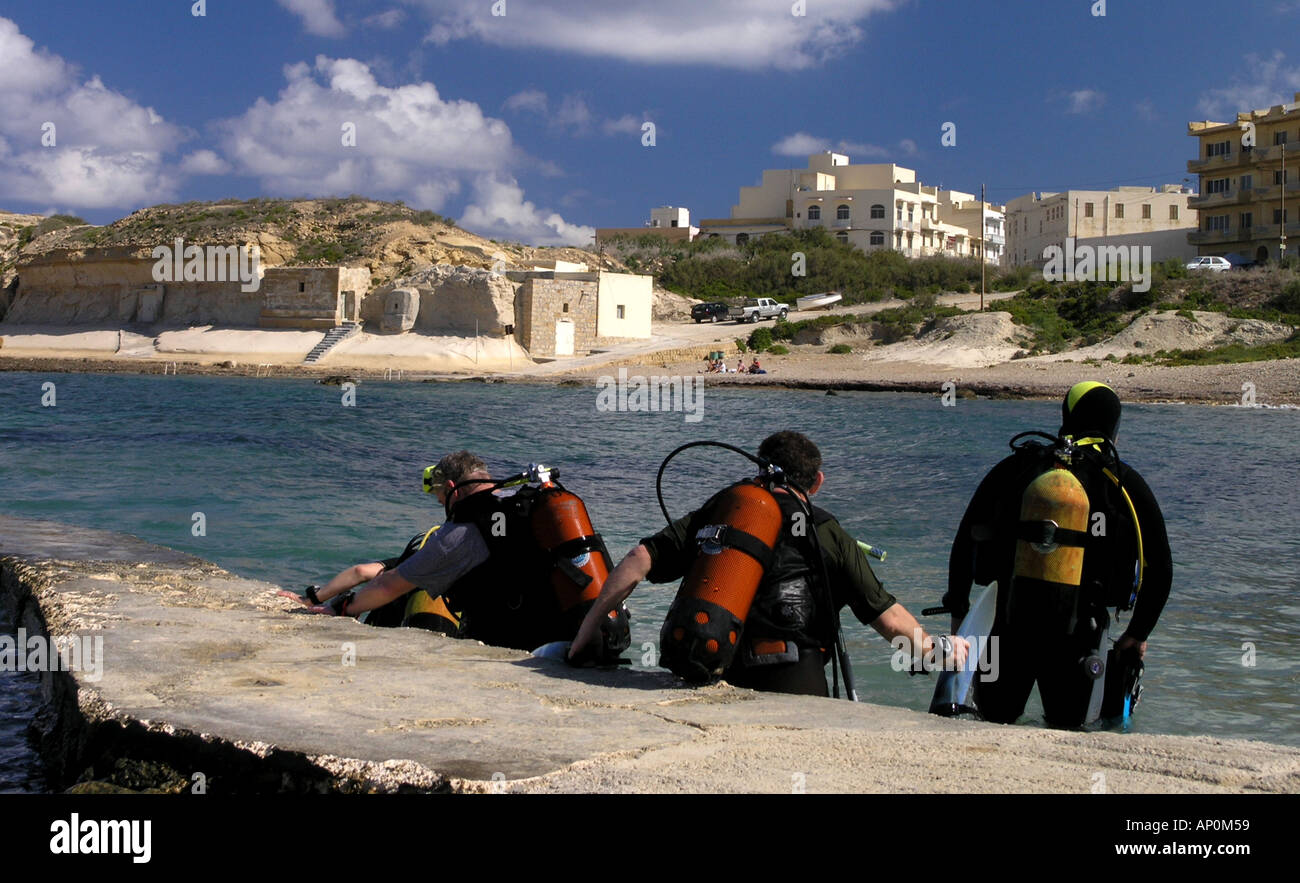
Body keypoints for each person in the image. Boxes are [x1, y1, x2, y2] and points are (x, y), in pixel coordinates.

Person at [569, 431, 968, 696]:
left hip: (721, 667)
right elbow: (890, 622)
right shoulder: (827, 531)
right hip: (795, 677)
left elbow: (639, 558)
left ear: (758, 471)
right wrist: (938, 651)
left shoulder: (725, 510)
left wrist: (587, 630)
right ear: (818, 482)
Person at [943, 382, 1172, 727]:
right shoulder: (1124, 484)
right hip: (1080, 632)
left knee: (990, 724)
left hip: (1009, 624)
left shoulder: (1016, 467)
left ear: (1066, 418)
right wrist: (1137, 634)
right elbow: (1161, 568)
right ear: (1114, 427)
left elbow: (965, 542)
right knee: (1070, 733)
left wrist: (960, 615)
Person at [300, 451, 620, 654]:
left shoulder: (461, 532)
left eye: (440, 497)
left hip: (527, 647)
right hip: (579, 630)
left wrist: (343, 609)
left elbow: (389, 585)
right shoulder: (520, 506)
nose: (441, 505)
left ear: (451, 487)